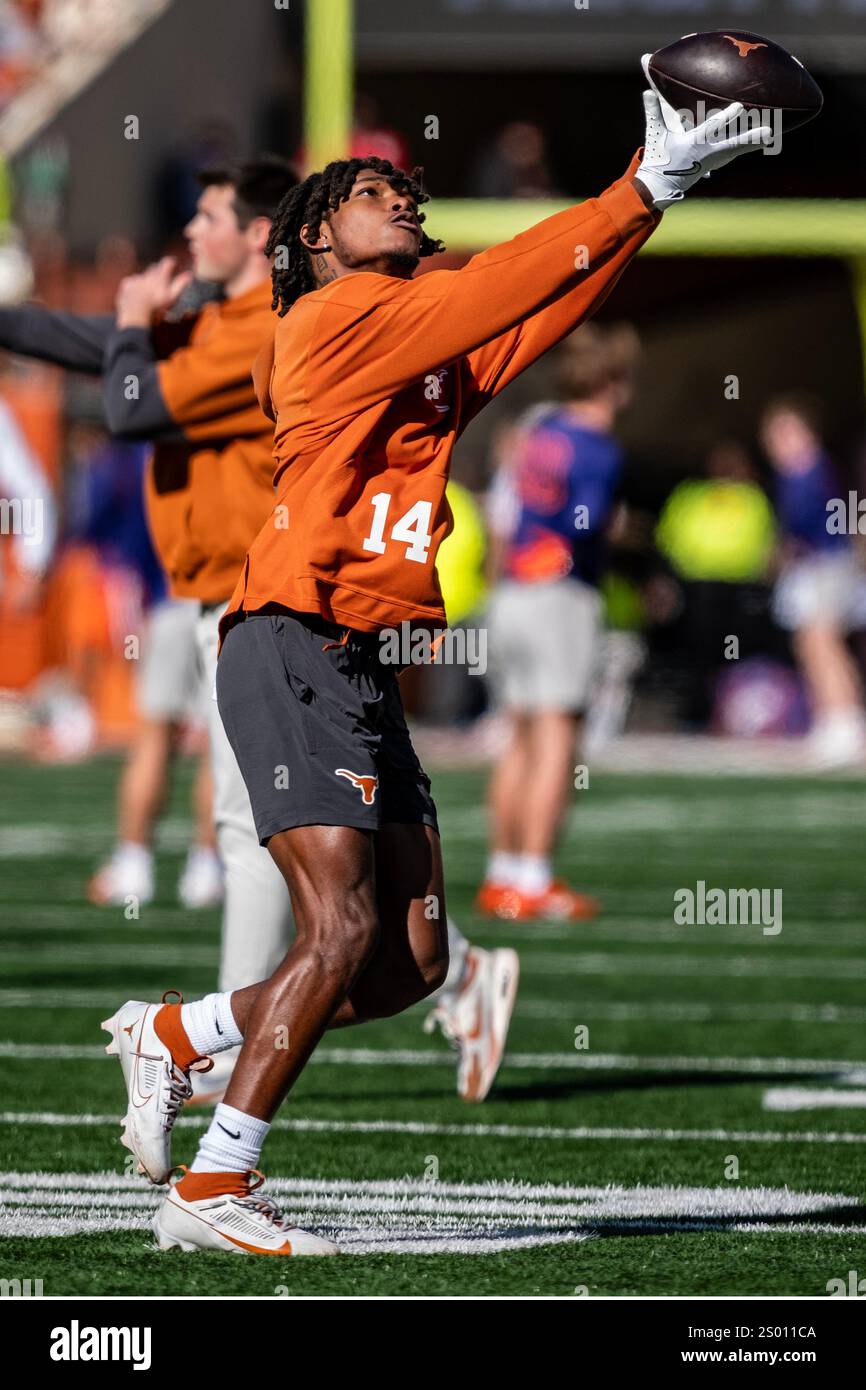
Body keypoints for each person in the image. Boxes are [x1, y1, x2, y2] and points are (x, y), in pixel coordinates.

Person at [103, 65, 773, 1255]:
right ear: (314, 236)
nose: (404, 194)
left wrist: (650, 197)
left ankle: (179, 1034)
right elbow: (512, 277)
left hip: (352, 659)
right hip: (288, 639)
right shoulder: (332, 316)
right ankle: (213, 1187)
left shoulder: (411, 339)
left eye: (406, 186)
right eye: (374, 189)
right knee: (336, 929)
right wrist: (642, 180)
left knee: (410, 961)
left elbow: (539, 301)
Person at [1, 155, 503, 1103]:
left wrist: (130, 334)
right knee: (273, 847)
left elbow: (127, 404)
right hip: (227, 604)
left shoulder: (267, 327)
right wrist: (120, 331)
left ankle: (204, 1048)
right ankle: (223, 1039)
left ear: (266, 230)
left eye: (210, 217)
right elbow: (79, 342)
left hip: (273, 607)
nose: (192, 233)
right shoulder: (214, 321)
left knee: (257, 838)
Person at [477, 322, 640, 922]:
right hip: (560, 593)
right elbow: (587, 520)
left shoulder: (537, 428)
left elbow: (506, 508)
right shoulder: (598, 445)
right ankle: (534, 876)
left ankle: (502, 875)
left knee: (517, 736)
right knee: (556, 739)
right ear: (614, 382)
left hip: (513, 589)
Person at [761, 395, 866, 767]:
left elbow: (815, 525)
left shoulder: (811, 470)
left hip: (825, 564)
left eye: (786, 432)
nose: (778, 442)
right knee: (812, 643)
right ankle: (833, 718)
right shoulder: (796, 473)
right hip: (814, 567)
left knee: (823, 640)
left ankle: (845, 722)